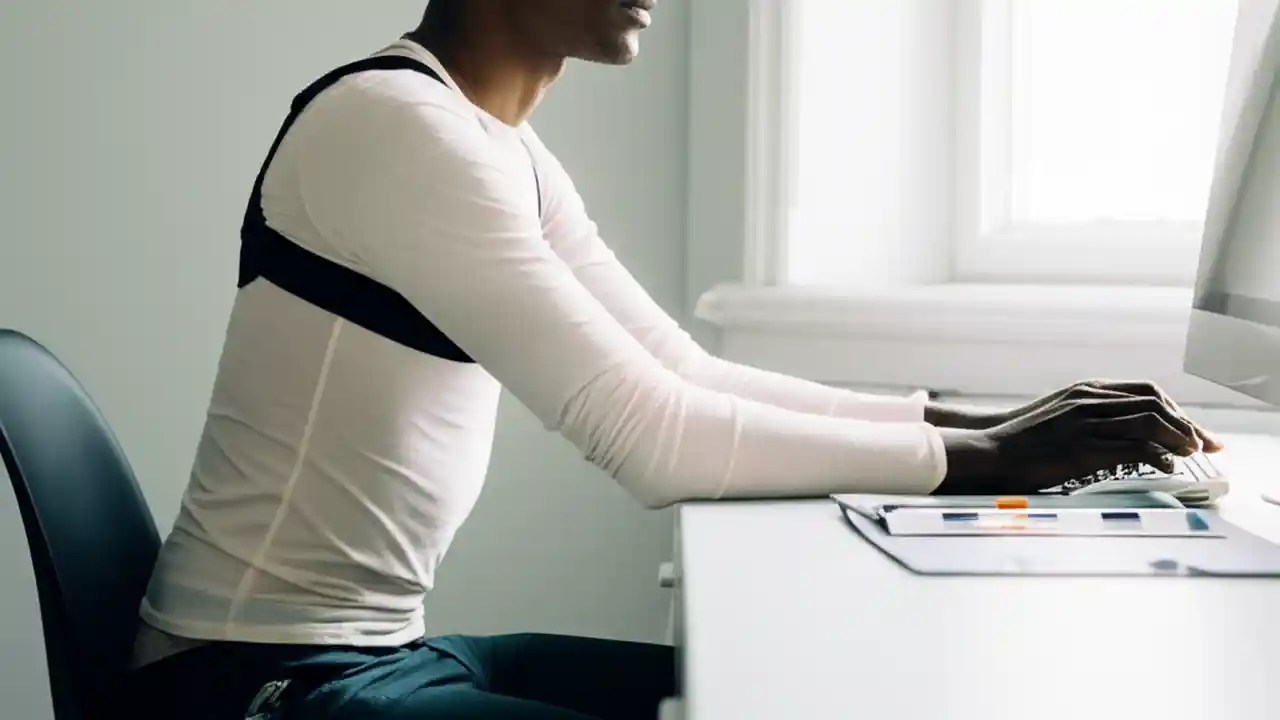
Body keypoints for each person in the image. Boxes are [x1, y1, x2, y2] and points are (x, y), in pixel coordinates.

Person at [119, 1, 1224, 718]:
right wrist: (984, 458)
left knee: (778, 697)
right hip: (251, 685)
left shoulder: (494, 146)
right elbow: (653, 441)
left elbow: (680, 373)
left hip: (370, 658)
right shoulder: (394, 127)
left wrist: (957, 422)